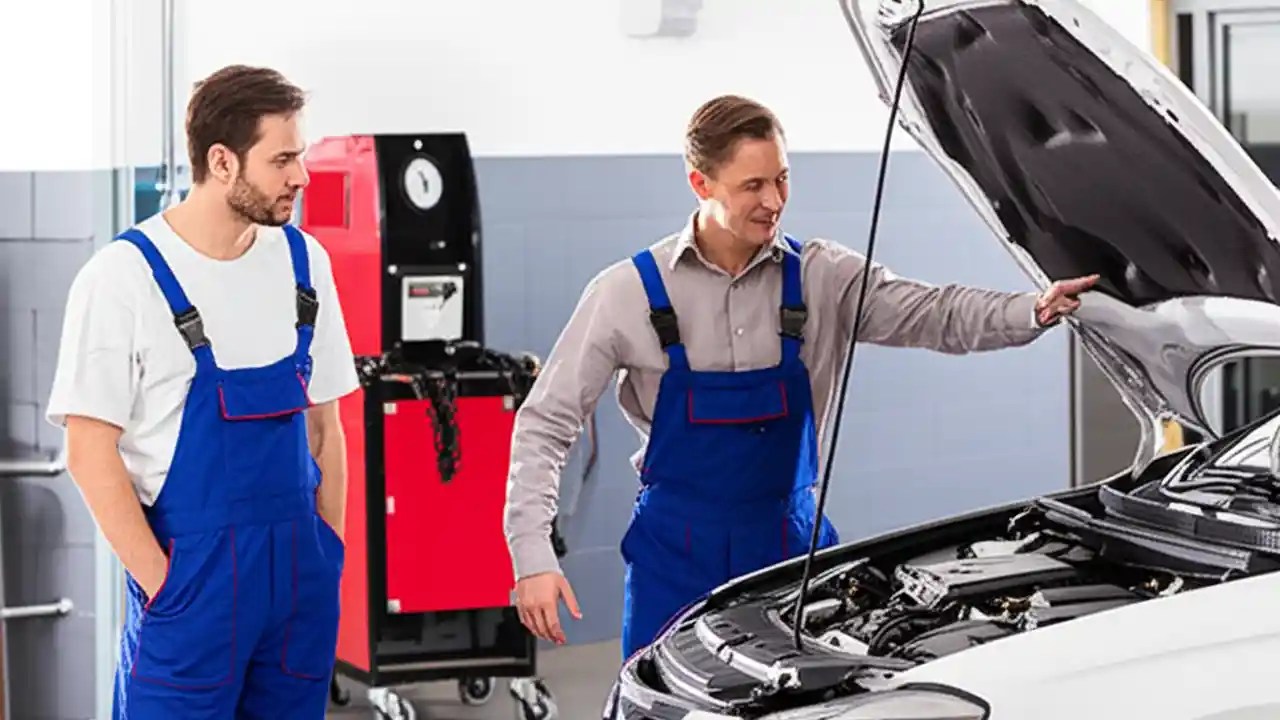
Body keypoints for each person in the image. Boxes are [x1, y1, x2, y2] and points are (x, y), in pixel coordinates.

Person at [503, 94, 1099, 659]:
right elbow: (546, 423)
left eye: (782, 178)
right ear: (700, 184)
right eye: (752, 185)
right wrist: (533, 555)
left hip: (790, 549)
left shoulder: (821, 276)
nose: (773, 200)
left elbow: (934, 313)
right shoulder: (626, 293)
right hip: (675, 553)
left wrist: (1033, 310)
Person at [46, 65, 358, 718]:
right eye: (283, 159)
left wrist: (327, 555)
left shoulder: (305, 264)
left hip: (298, 582)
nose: (300, 176)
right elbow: (88, 450)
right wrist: (164, 586)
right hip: (192, 588)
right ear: (222, 162)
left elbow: (326, 428)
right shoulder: (122, 278)